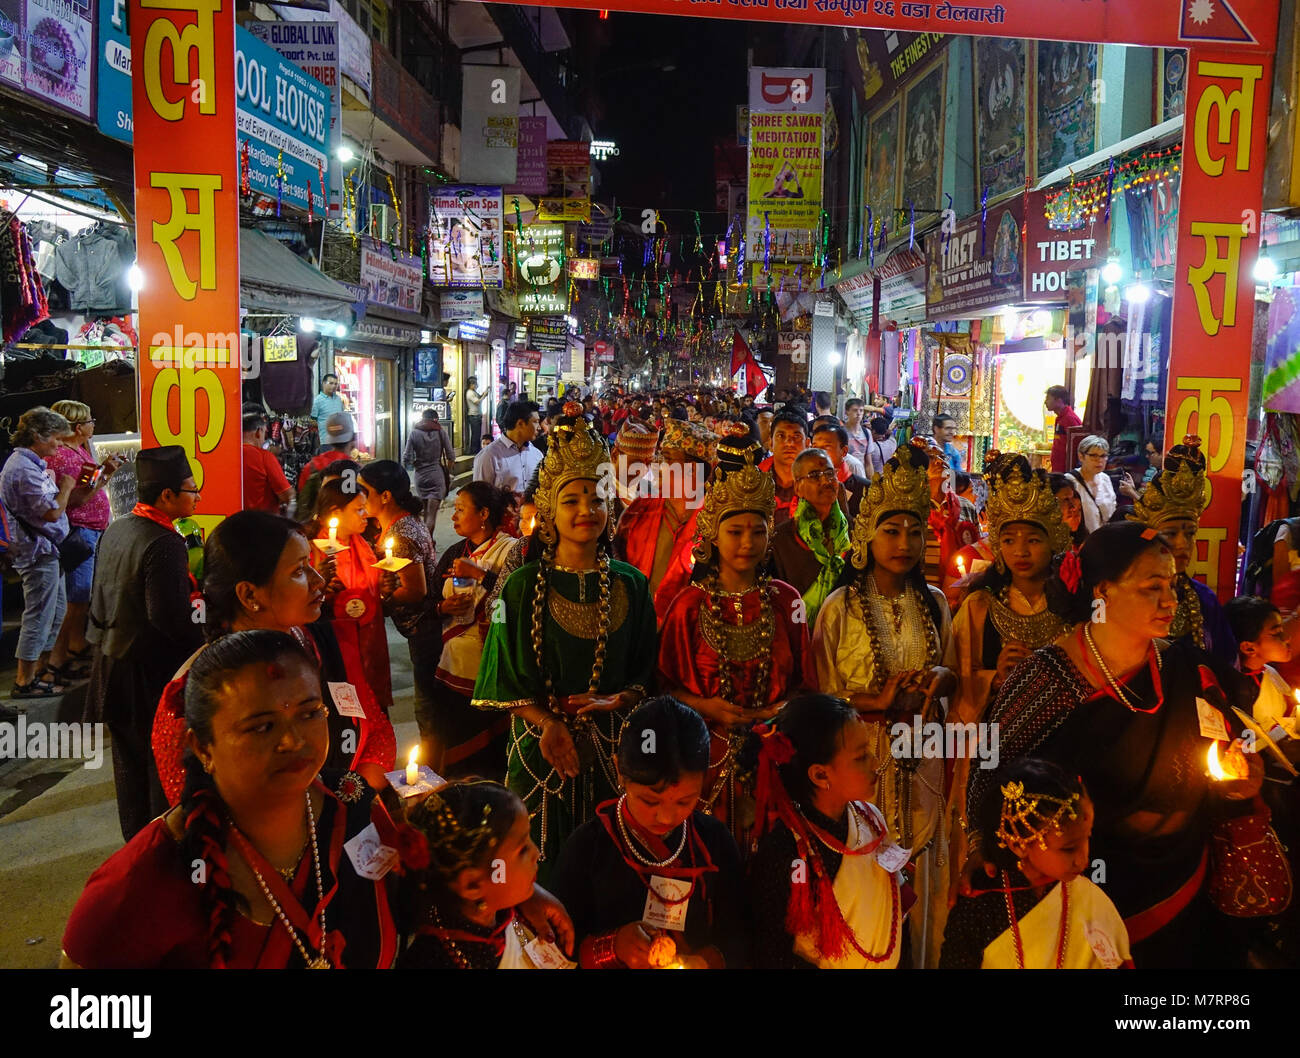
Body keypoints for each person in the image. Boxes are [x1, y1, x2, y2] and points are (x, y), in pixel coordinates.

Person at [964, 522, 1262, 967]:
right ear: (1102, 591)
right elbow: (990, 771)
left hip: (1182, 877)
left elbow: (1237, 740)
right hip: (1082, 882)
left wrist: (1242, 772)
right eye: (1152, 587)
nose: (1170, 601)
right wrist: (979, 842)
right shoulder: (1048, 679)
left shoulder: (1188, 668)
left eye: (1173, 585)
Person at [62, 631, 400, 968]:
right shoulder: (139, 884)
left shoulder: (353, 805)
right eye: (263, 726)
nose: (294, 741)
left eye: (309, 713)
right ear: (203, 747)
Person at [471, 405, 658, 877]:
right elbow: (500, 680)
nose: (586, 511)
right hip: (539, 750)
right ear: (551, 510)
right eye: (572, 500)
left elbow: (645, 672)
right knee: (541, 865)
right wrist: (547, 722)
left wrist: (621, 697)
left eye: (597, 499)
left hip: (613, 749)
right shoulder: (519, 586)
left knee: (610, 869)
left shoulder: (632, 585)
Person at [810, 438, 956, 968]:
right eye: (891, 531)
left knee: (924, 885)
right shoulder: (839, 608)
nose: (905, 542)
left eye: (916, 531)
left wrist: (943, 677)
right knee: (864, 891)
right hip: (861, 770)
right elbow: (820, 699)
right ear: (867, 537)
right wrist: (873, 699)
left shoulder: (936, 603)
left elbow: (953, 680)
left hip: (924, 767)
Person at [150, 510, 395, 802]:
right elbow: (194, 807)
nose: (318, 581)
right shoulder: (196, 692)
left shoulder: (326, 643)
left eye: (310, 565)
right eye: (298, 571)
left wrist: (350, 799)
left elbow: (378, 734)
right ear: (249, 595)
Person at [657, 430, 810, 848]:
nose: (747, 543)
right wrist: (706, 707)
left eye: (757, 532)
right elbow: (662, 690)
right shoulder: (689, 606)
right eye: (735, 531)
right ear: (713, 536)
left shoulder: (786, 601)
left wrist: (782, 711)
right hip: (703, 759)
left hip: (776, 762)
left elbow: (806, 686)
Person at [549, 697, 747, 968]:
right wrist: (612, 947)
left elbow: (739, 933)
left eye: (684, 801)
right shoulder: (587, 848)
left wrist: (706, 962)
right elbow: (555, 946)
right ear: (619, 770)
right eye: (650, 801)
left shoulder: (714, 842)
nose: (666, 817)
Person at [85, 445, 206, 841]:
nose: (197, 497)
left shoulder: (119, 528)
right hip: (145, 675)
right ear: (167, 495)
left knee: (129, 767)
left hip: (110, 665)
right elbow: (168, 618)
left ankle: (135, 849)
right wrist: (207, 644)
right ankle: (158, 851)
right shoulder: (163, 542)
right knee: (160, 768)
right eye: (191, 490)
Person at [749, 694, 905, 969]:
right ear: (820, 775)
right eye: (861, 757)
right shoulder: (785, 850)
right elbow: (772, 953)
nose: (875, 763)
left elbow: (897, 914)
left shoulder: (872, 821)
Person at [941, 759, 1132, 968]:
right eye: (1068, 848)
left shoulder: (1090, 900)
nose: (1083, 859)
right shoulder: (980, 907)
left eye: (1087, 838)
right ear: (1018, 845)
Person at [396, 781, 576, 969]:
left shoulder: (511, 912)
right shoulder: (433, 961)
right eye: (522, 850)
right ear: (472, 884)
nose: (537, 853)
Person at [423, 482, 516, 778]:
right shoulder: (453, 553)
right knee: (455, 754)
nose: (454, 517)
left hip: (490, 669)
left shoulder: (511, 550)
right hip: (452, 667)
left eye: (461, 510)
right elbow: (429, 601)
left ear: (484, 513)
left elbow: (514, 597)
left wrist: (478, 574)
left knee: (489, 759)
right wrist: (442, 608)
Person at [1129, 436, 1236, 666]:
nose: (1181, 544)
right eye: (1170, 534)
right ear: (1149, 537)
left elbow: (1226, 667)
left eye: (1189, 533)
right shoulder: (1123, 596)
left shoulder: (1203, 599)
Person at [1, 407, 76, 702]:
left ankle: (39, 673)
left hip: (48, 551)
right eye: (55, 438)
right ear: (37, 436)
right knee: (39, 616)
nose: (58, 445)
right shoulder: (21, 468)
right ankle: (24, 680)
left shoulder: (31, 465)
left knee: (55, 613)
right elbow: (50, 512)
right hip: (36, 553)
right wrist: (66, 488)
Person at [45, 401, 121, 686]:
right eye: (91, 421)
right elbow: (74, 499)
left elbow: (88, 488)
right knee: (74, 598)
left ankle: (72, 647)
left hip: (91, 530)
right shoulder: (62, 457)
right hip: (78, 532)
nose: (93, 426)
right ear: (79, 427)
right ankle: (59, 656)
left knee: (80, 598)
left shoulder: (78, 451)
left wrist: (106, 473)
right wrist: (100, 477)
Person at [614, 419, 717, 624]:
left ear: (691, 470)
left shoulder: (716, 524)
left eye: (667, 459)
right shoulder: (637, 512)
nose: (657, 466)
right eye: (660, 458)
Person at [307, 478, 395, 715]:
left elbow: (371, 599)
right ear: (335, 512)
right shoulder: (310, 550)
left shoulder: (363, 546)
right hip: (334, 654)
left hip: (369, 651)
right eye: (358, 509)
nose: (366, 514)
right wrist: (318, 587)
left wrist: (384, 590)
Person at [769, 448, 850, 627]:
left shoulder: (854, 533)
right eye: (814, 475)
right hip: (799, 633)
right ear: (798, 487)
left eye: (830, 473)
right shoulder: (781, 540)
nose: (826, 481)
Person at [1224, 595, 1297, 738]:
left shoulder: (1270, 673)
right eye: (1277, 633)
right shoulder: (1231, 688)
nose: (1287, 638)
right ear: (1249, 648)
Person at [473, 399, 542, 500]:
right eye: (535, 422)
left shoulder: (537, 455)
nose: (539, 427)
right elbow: (479, 497)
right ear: (520, 424)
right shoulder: (489, 456)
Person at [402, 408, 454, 532]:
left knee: (425, 512)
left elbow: (406, 457)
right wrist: (447, 469)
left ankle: (425, 543)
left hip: (420, 475)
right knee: (431, 515)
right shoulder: (441, 432)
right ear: (435, 419)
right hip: (436, 475)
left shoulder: (414, 433)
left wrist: (415, 464)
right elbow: (451, 456)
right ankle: (428, 542)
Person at [297, 411, 356, 519]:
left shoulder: (311, 467)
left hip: (317, 531)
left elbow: (302, 503)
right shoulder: (356, 469)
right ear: (353, 437)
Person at [812, 422, 871, 518]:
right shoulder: (806, 484)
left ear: (844, 451)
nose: (819, 453)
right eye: (814, 447)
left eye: (827, 447)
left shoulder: (866, 490)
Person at [759, 410, 808, 526]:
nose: (789, 443)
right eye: (781, 436)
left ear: (808, 443)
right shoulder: (755, 482)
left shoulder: (819, 483)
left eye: (797, 436)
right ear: (771, 444)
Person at [241, 410, 292, 514]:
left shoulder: (229, 456)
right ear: (258, 432)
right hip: (263, 523)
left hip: (232, 523)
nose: (264, 440)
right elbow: (287, 495)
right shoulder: (264, 457)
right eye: (264, 433)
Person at [1068, 434, 1116, 533]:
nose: (1100, 461)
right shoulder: (1070, 481)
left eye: (1103, 456)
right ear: (1081, 456)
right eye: (1093, 456)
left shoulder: (1105, 479)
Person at [1045, 385, 1082, 474]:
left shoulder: (1070, 418)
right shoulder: (1060, 418)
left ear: (1059, 400)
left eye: (1048, 399)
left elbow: (1077, 447)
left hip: (1066, 472)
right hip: (1058, 469)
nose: (1045, 402)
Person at [1049, 472, 1087, 548]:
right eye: (1066, 499)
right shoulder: (1047, 545)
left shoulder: (1083, 545)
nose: (1074, 508)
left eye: (1079, 509)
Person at [310, 373, 345, 444]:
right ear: (324, 383)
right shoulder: (318, 401)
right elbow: (312, 421)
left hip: (340, 442)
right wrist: (326, 425)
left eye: (336, 384)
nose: (334, 386)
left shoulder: (338, 399)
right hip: (326, 442)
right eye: (331, 383)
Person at [844, 398, 869, 464]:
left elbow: (868, 462)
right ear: (847, 412)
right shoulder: (840, 432)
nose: (858, 413)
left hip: (861, 473)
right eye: (855, 410)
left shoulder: (867, 433)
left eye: (861, 410)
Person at [464, 375, 485, 454]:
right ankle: (474, 450)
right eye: (475, 384)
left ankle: (476, 450)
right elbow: (477, 402)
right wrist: (484, 396)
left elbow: (479, 398)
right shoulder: (470, 393)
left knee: (477, 434)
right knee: (475, 434)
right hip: (474, 416)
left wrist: (483, 395)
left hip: (477, 415)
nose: (477, 385)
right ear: (471, 384)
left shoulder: (473, 392)